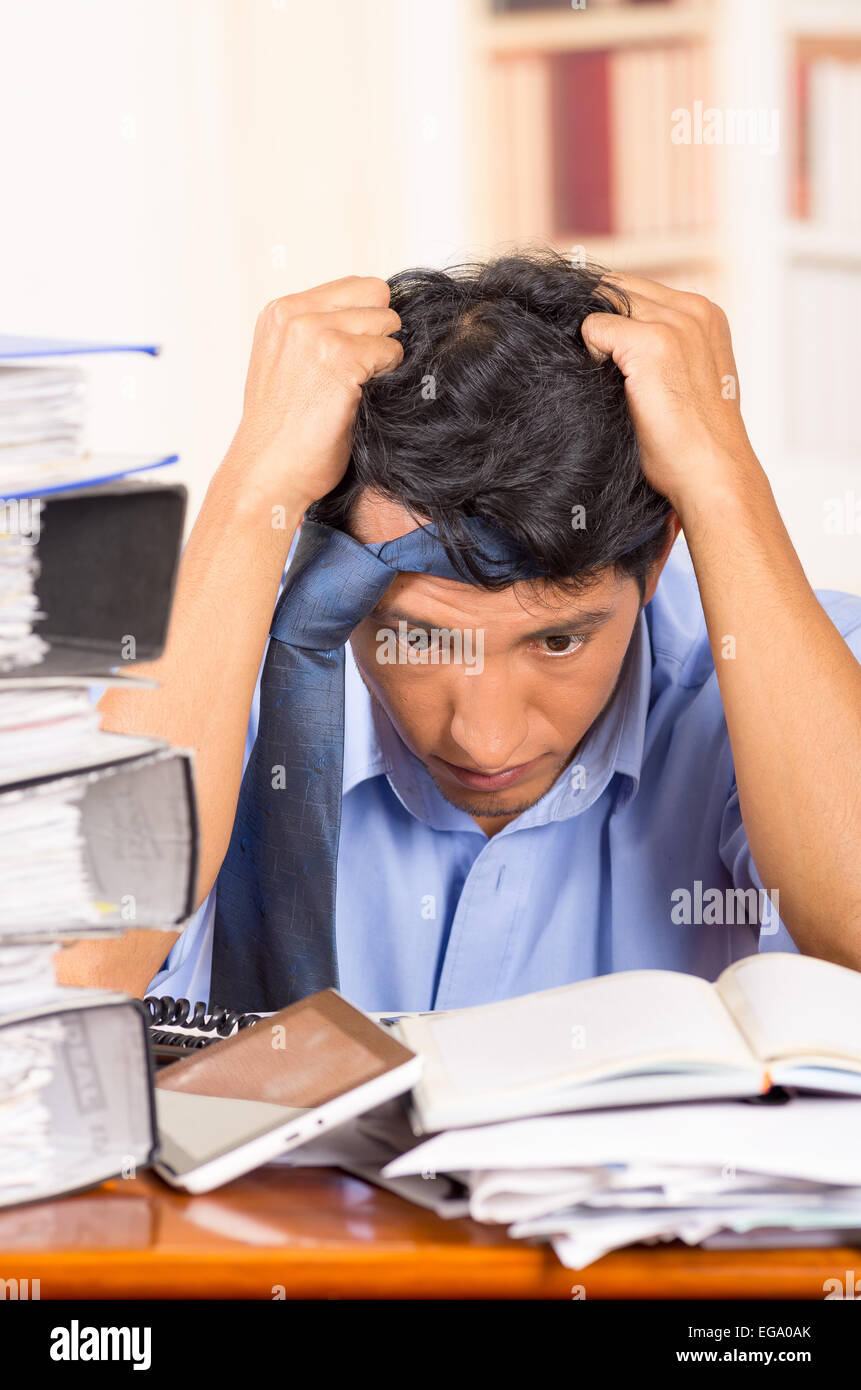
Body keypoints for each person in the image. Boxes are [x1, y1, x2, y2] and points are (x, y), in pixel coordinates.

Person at [57, 252, 861, 1011]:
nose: (483, 740)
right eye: (420, 639)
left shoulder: (791, 670)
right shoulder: (187, 688)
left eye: (557, 641)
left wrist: (723, 483)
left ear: (656, 561)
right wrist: (251, 490)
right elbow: (63, 993)